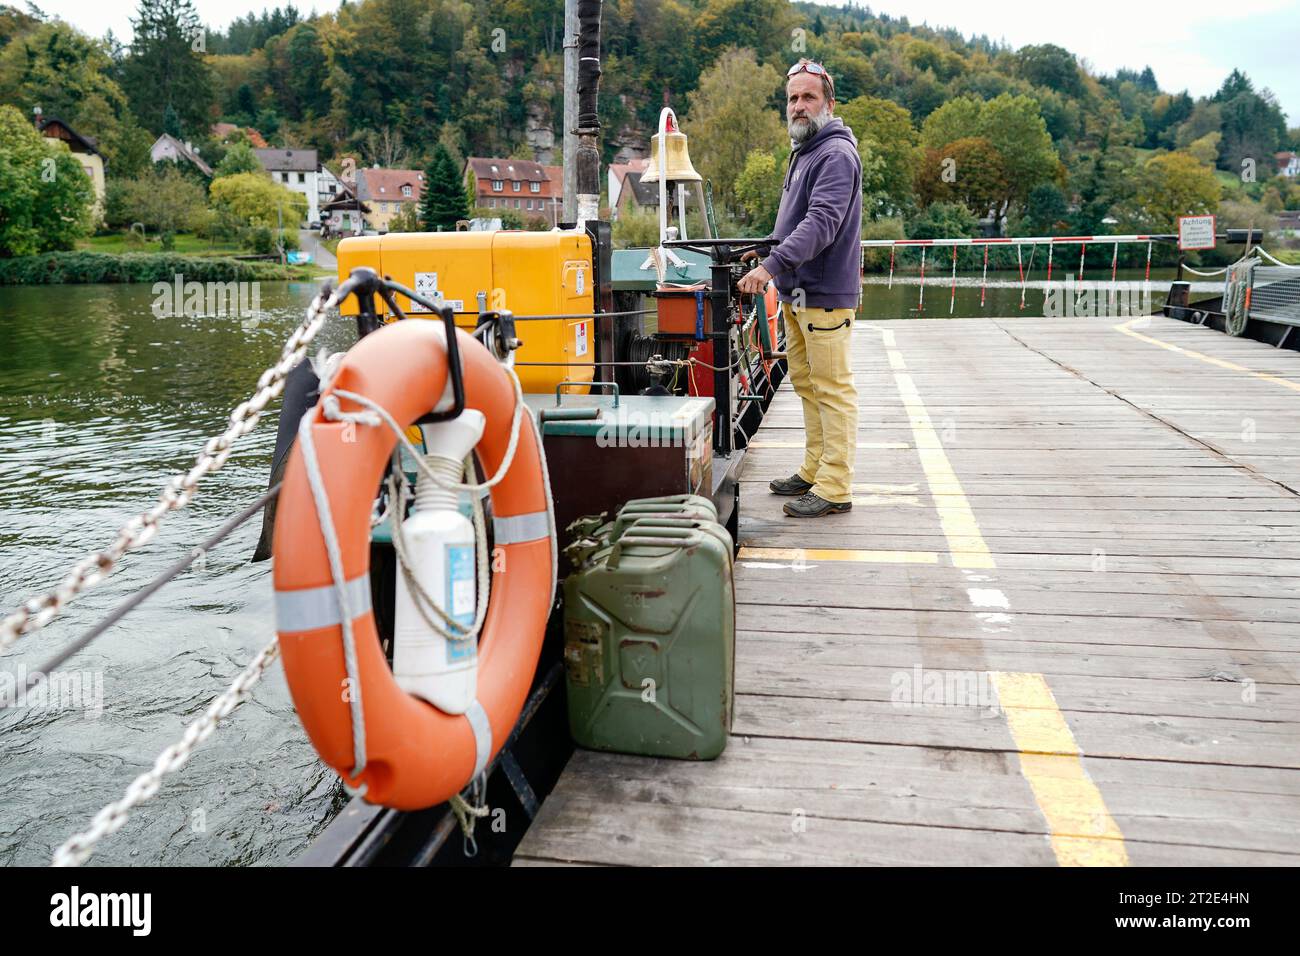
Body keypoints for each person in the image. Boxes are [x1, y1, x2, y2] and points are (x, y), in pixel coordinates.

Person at [738, 59, 861, 518]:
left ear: (828, 103)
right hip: (797, 295)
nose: (799, 106)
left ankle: (834, 487)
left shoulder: (835, 154)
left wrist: (771, 266)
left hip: (824, 297)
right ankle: (814, 469)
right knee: (809, 387)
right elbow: (793, 223)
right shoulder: (806, 151)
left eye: (808, 97)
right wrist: (762, 250)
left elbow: (821, 224)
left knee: (832, 390)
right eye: (792, 98)